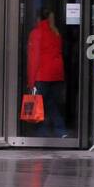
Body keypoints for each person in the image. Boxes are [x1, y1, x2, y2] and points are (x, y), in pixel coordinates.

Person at [27, 7, 66, 137]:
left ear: (38, 18)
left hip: (42, 74)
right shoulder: (56, 32)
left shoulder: (36, 33)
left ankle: (42, 131)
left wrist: (31, 81)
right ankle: (60, 129)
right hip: (56, 74)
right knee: (51, 103)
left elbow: (34, 59)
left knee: (40, 104)